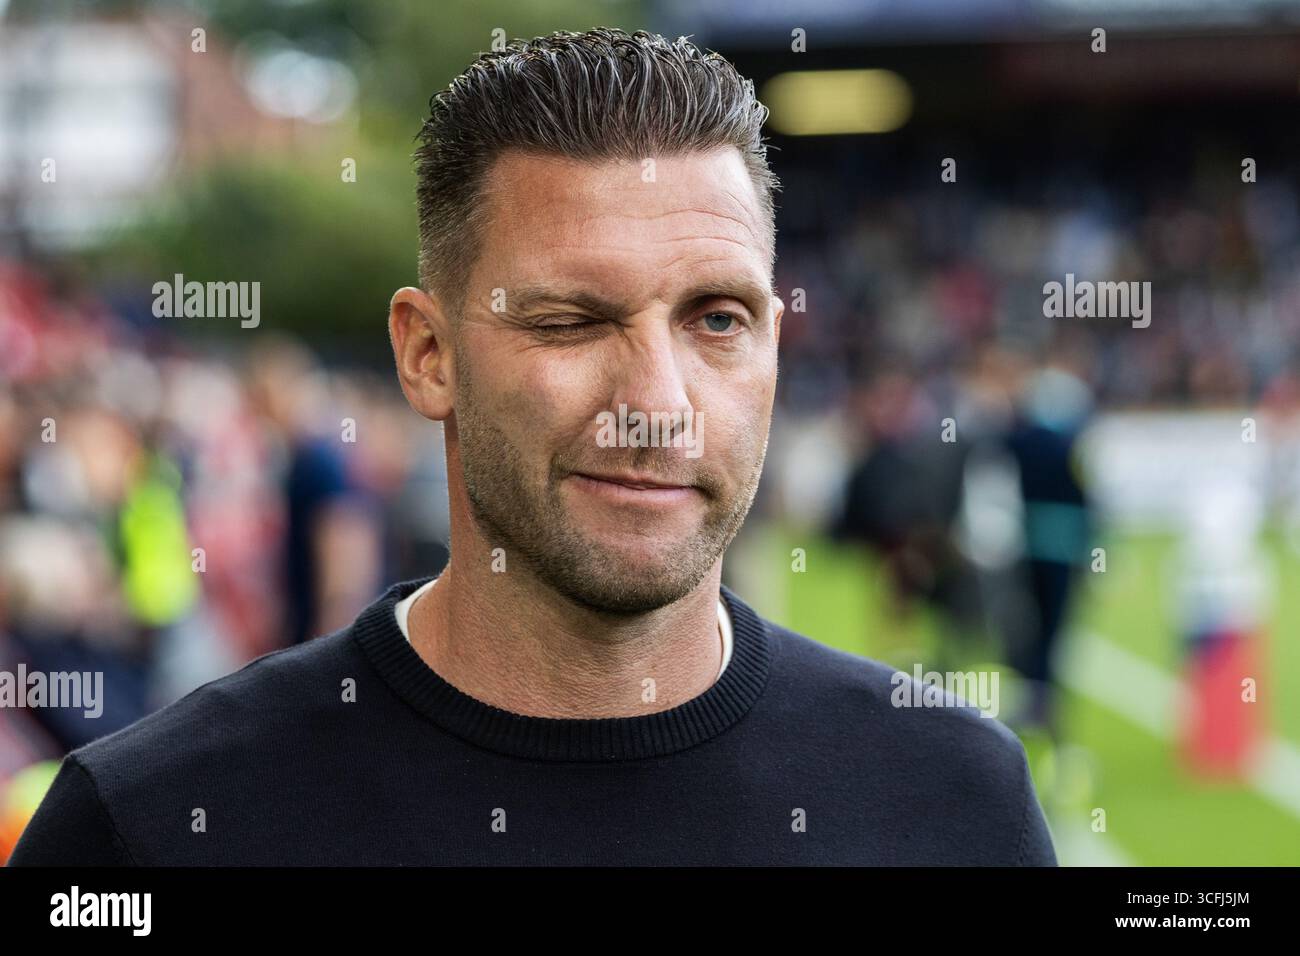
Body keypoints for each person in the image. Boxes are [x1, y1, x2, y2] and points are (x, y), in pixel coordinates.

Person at [9, 27, 1055, 866]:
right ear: (428, 355)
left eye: (716, 318)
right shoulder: (146, 828)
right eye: (568, 321)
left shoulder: (955, 798)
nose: (656, 401)